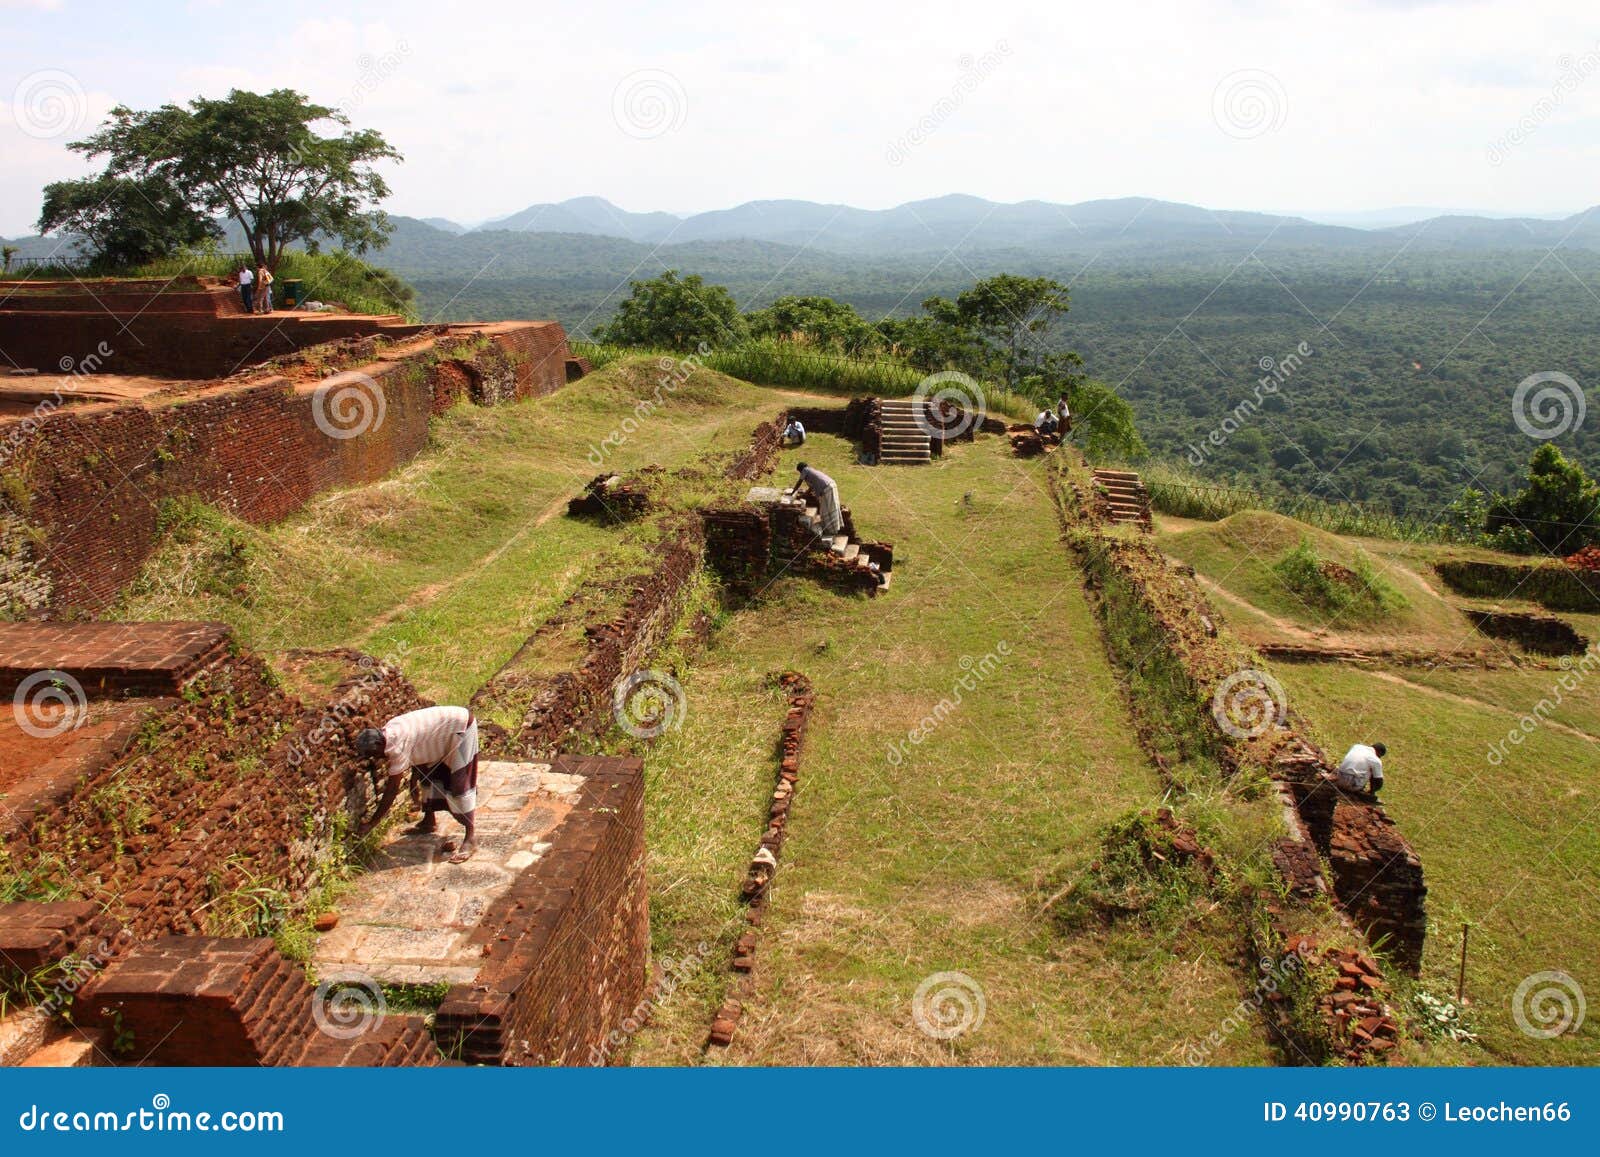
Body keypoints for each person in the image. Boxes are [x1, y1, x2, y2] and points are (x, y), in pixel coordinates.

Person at [355, 706, 480, 863]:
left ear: (380, 745)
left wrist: (372, 823)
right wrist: (415, 778)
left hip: (460, 727)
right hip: (441, 732)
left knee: (460, 782)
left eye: (376, 754)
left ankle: (471, 836)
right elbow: (419, 744)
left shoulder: (395, 746)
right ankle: (429, 821)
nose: (378, 758)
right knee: (428, 776)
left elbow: (392, 790)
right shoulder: (389, 730)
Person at [795, 461, 842, 536]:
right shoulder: (811, 471)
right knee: (832, 507)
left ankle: (831, 530)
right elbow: (811, 487)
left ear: (801, 469)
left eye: (799, 471)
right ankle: (832, 528)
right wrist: (803, 495)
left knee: (827, 509)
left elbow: (799, 482)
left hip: (827, 488)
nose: (800, 473)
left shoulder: (805, 470)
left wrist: (793, 492)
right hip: (832, 485)